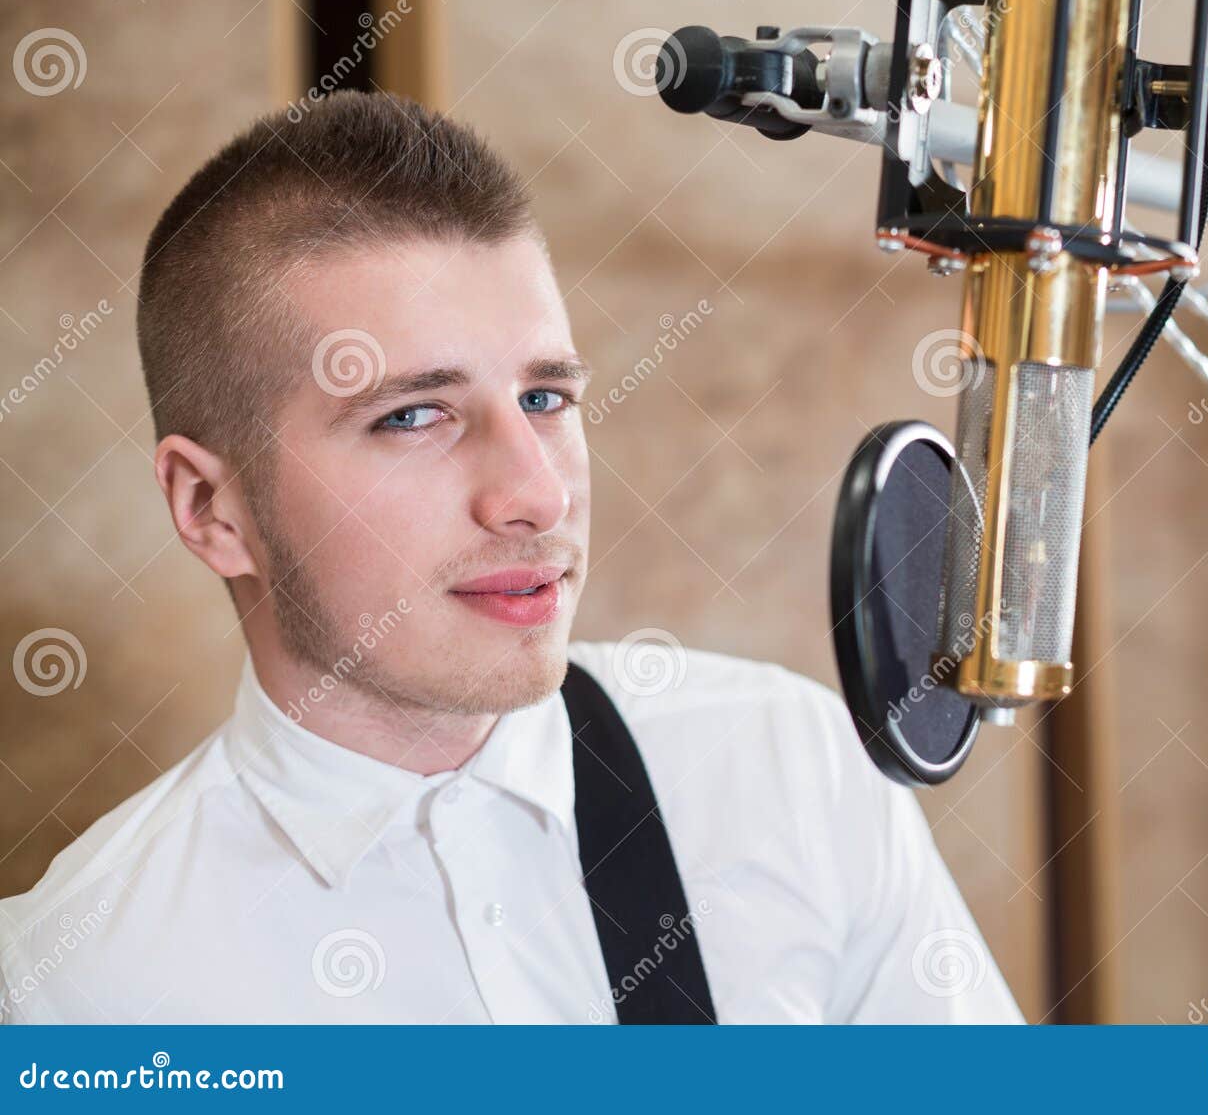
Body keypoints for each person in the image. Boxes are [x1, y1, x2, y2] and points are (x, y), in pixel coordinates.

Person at [0, 91, 1021, 1024]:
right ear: (211, 507)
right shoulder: (73, 985)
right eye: (413, 416)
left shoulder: (791, 772)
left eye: (544, 399)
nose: (536, 493)